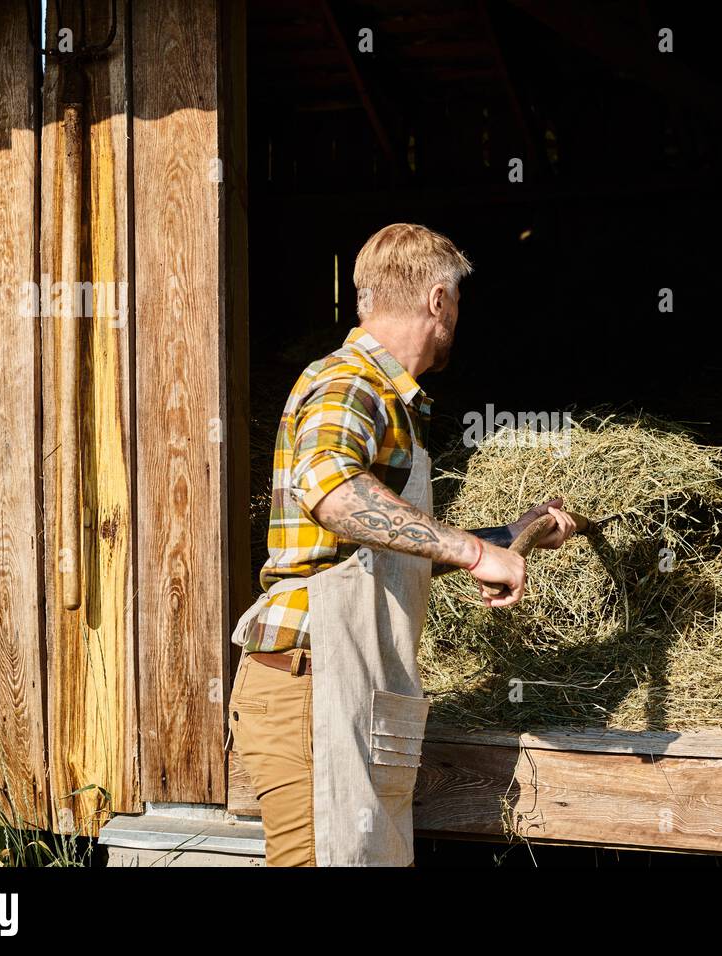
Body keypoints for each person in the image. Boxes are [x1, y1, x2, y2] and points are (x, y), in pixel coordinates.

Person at [227, 223, 577, 866]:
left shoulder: (391, 397)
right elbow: (333, 492)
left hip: (348, 676)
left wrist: (513, 536)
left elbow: (374, 549)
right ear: (438, 301)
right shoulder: (350, 384)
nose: (455, 324)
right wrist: (475, 554)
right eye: (458, 308)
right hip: (315, 677)